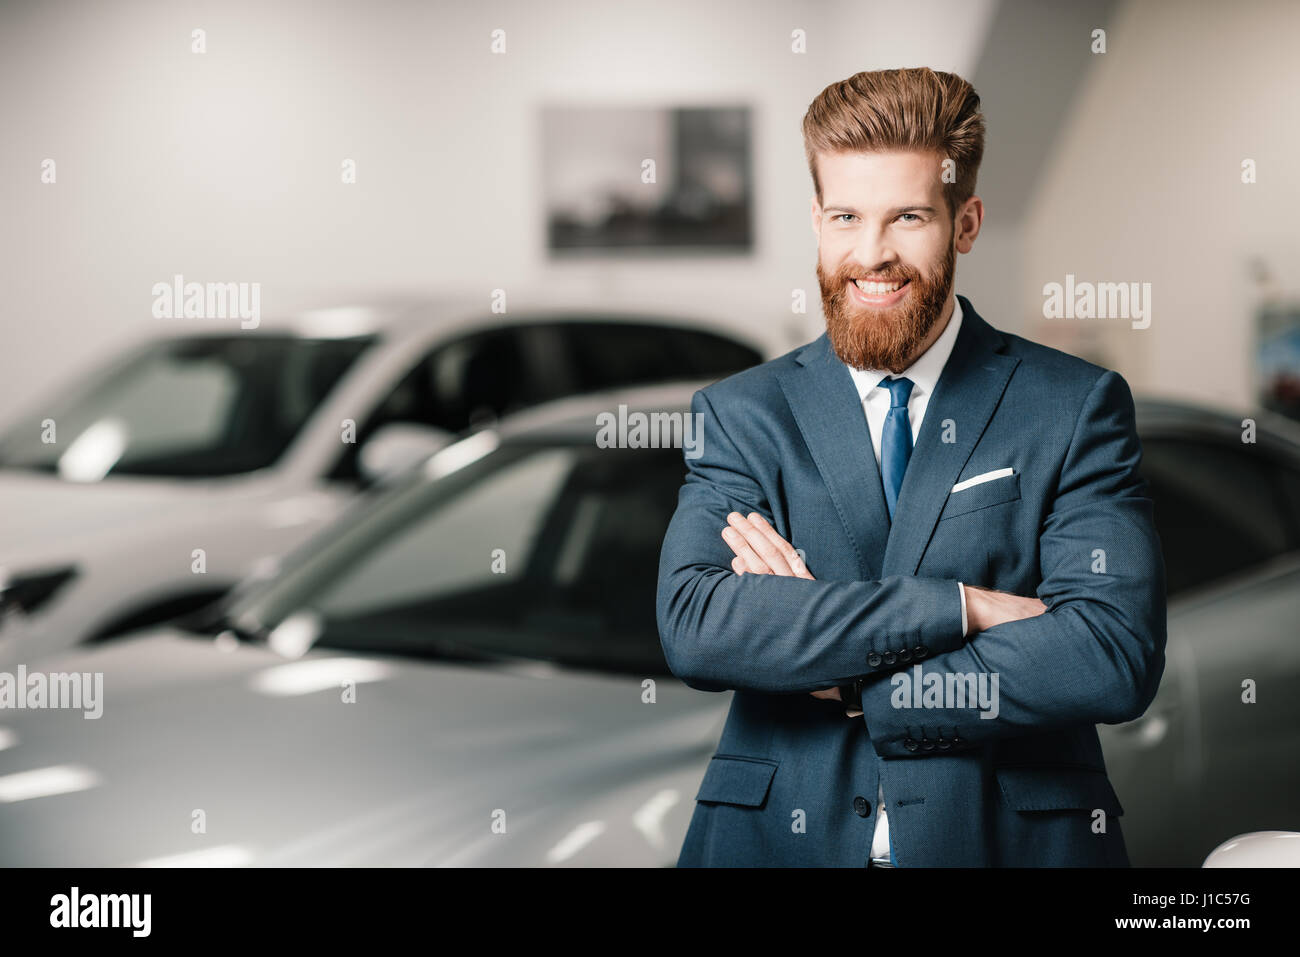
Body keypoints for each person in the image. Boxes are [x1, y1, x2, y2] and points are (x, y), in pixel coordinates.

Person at [655, 67, 1167, 867]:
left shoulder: (1073, 405)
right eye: (846, 217)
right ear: (816, 220)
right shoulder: (744, 414)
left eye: (908, 218)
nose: (871, 255)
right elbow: (698, 625)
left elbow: (1107, 654)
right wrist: (960, 606)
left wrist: (850, 672)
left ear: (966, 224)